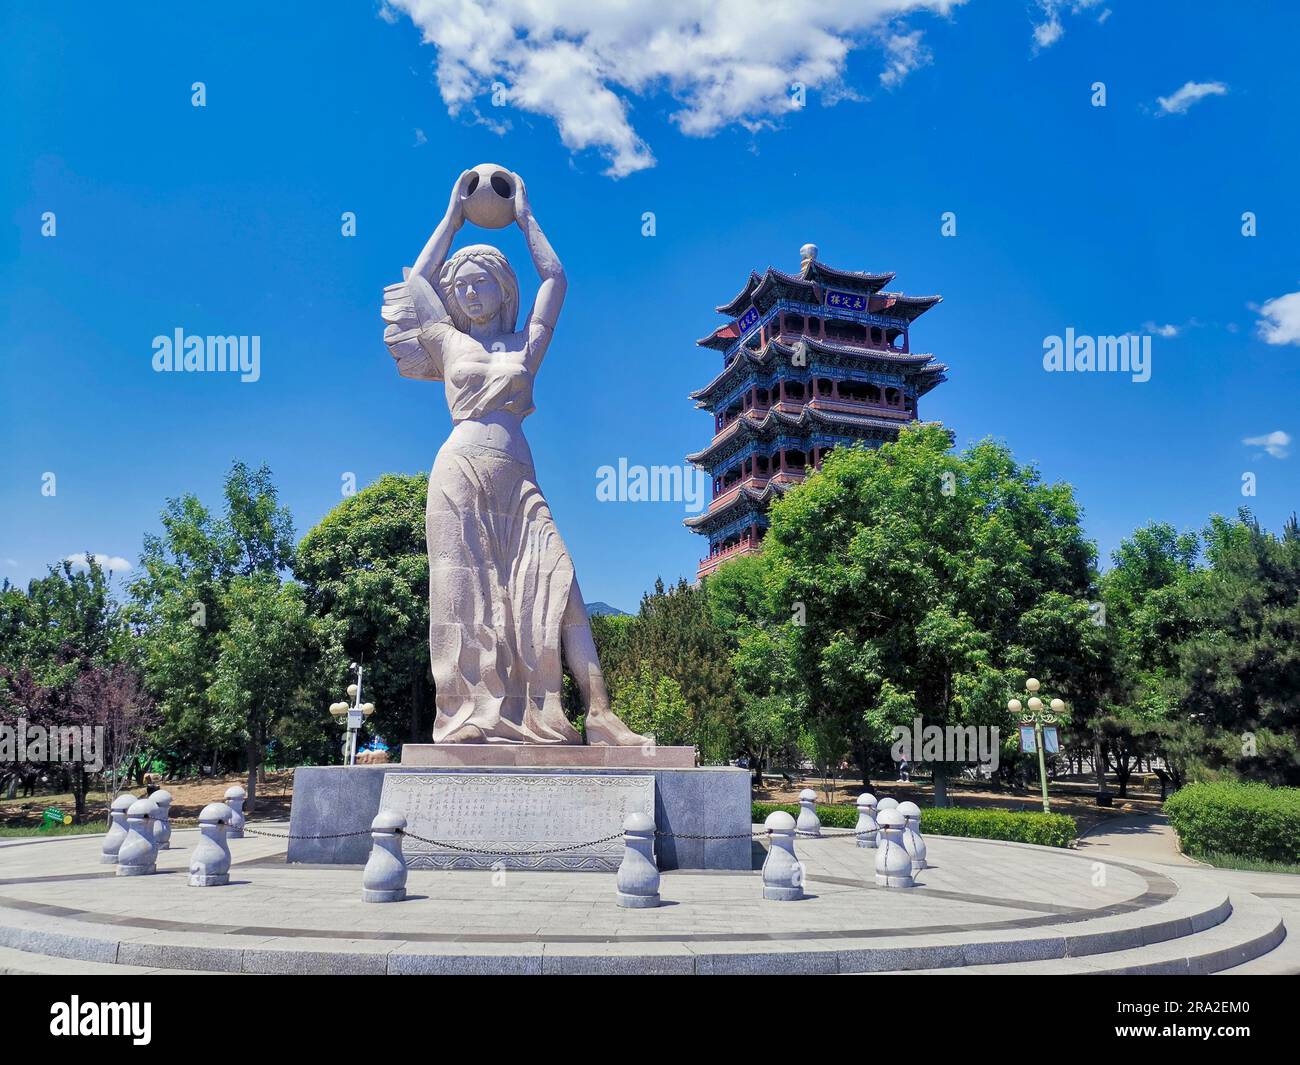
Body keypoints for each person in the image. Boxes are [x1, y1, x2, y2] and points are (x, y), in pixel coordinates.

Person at [383, 171, 647, 746]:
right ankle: (471, 717)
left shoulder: (526, 344)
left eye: (480, 284)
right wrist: (453, 219)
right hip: (459, 474)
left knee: (561, 585)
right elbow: (418, 280)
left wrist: (525, 217)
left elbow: (555, 277)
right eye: (462, 287)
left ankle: (598, 713)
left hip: (518, 479)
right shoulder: (450, 342)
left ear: (504, 290)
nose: (468, 293)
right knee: (461, 600)